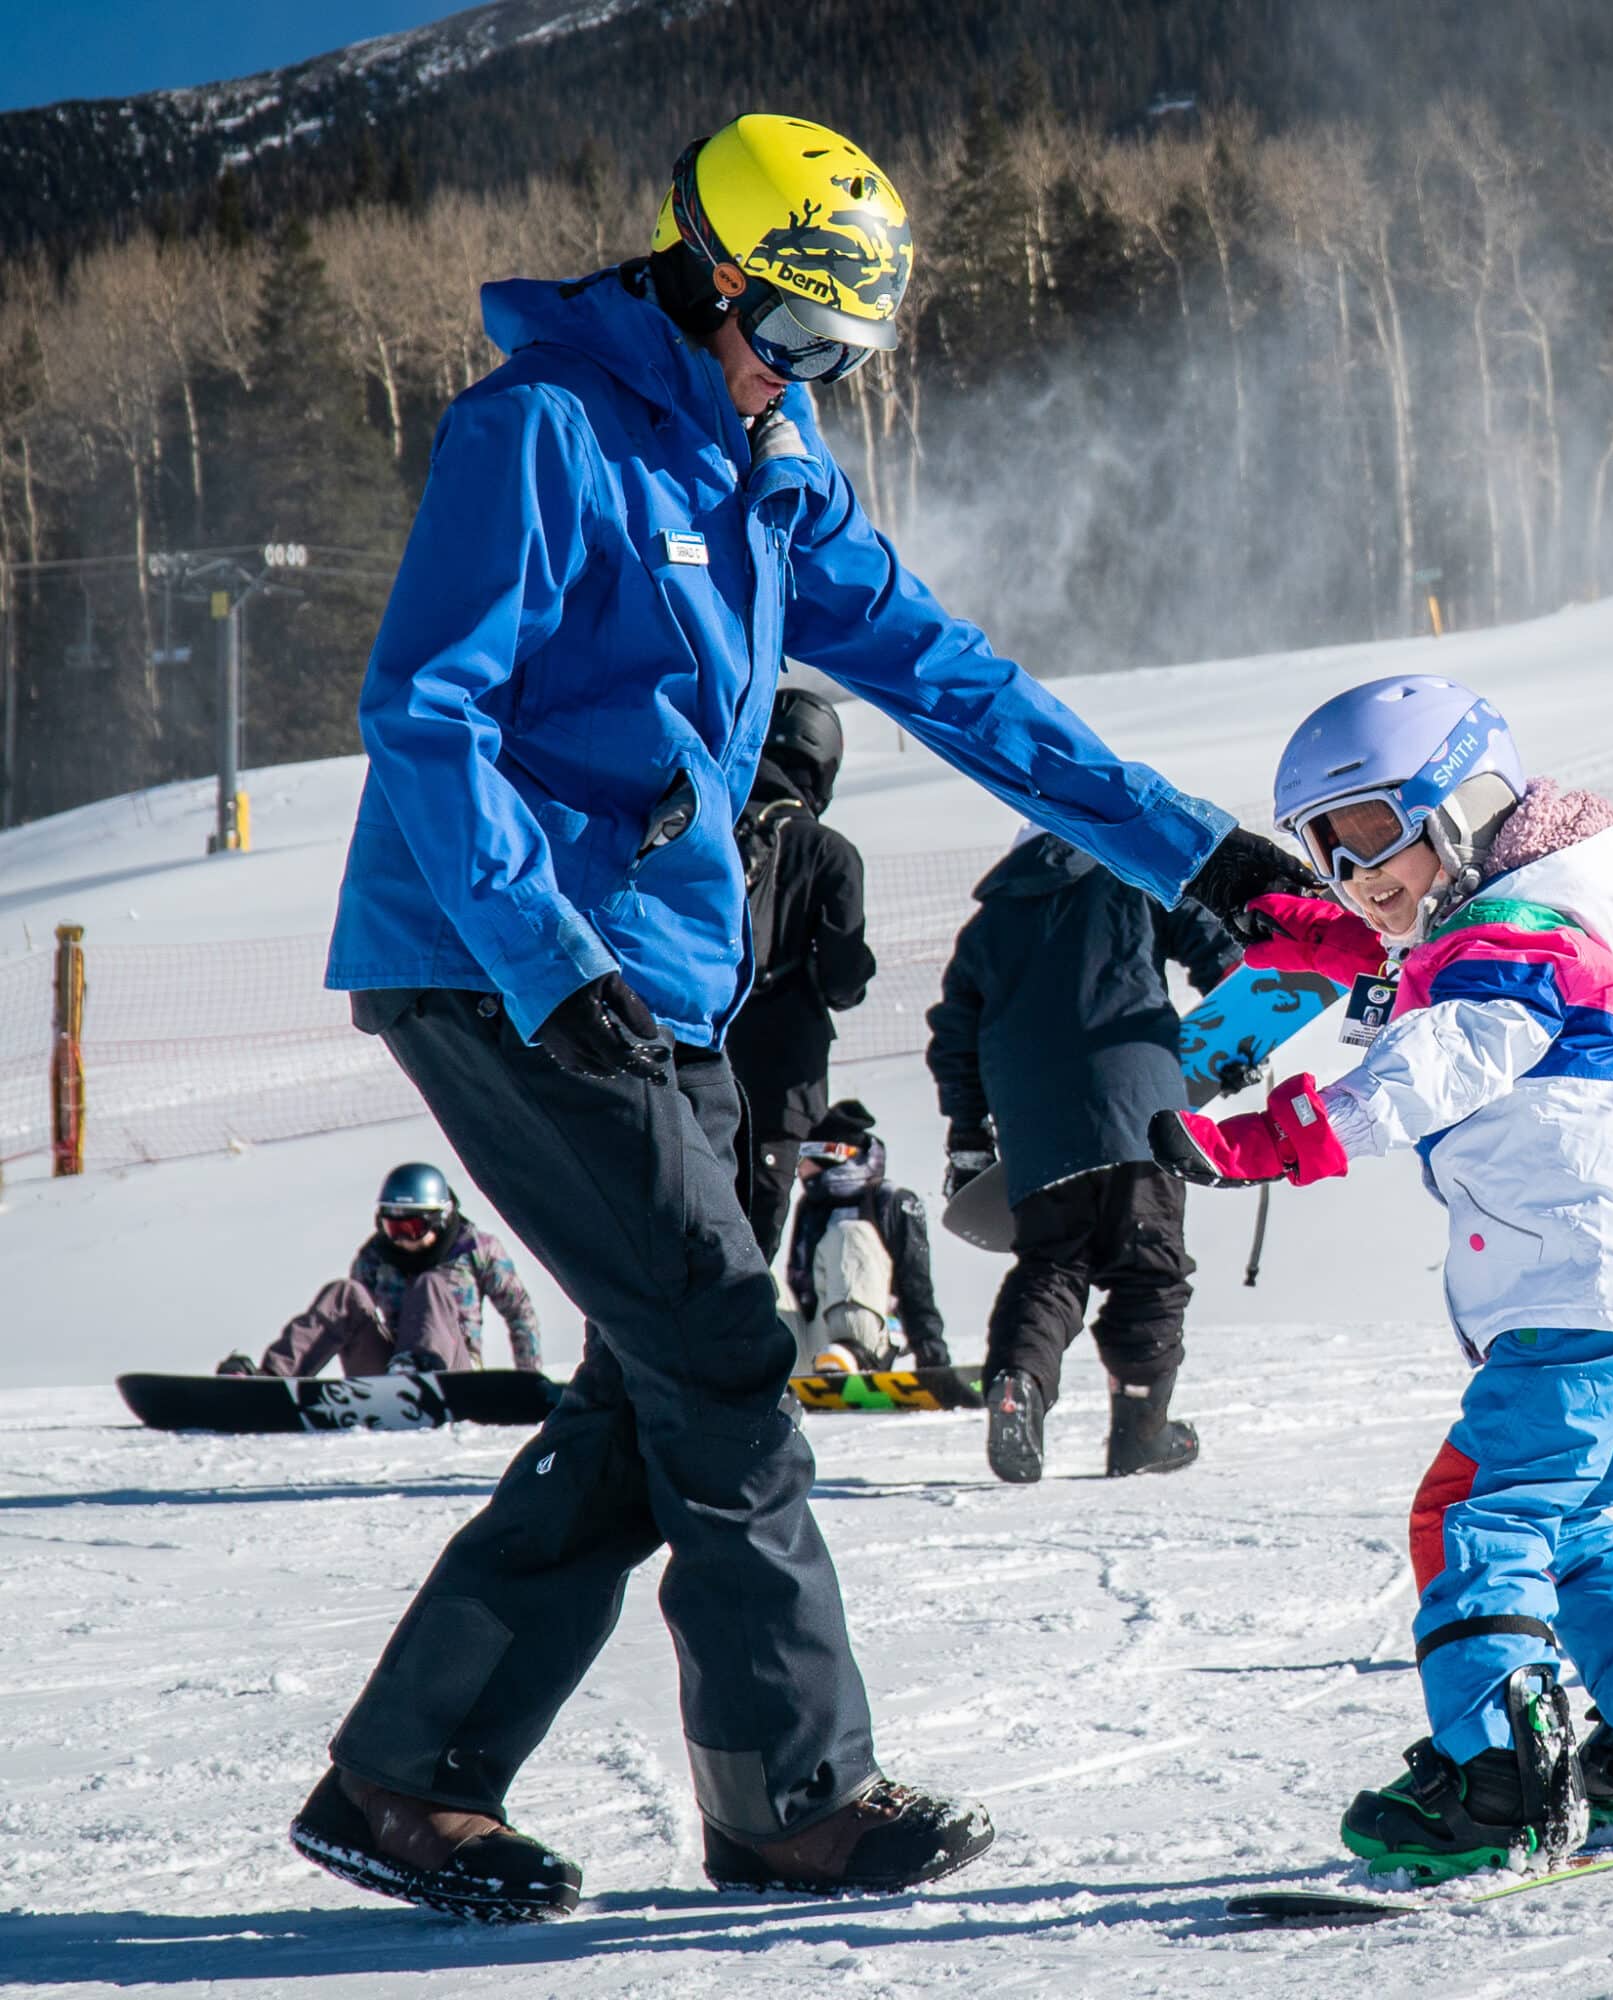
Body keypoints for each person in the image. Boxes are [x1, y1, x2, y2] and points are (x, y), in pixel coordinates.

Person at [294, 113, 1310, 1922]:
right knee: (727, 1356)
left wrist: (1197, 857)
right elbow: (424, 718)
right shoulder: (542, 435)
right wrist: (549, 957)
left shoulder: (770, 463)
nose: (816, 384)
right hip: (493, 959)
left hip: (657, 985)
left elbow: (954, 682)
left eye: (854, 360)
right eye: (805, 341)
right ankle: (788, 1800)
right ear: (716, 273)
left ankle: (402, 1782)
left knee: (658, 1387)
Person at [1151, 674, 1613, 1882]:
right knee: (1571, 1516)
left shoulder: (1510, 942)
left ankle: (1498, 1781)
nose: (1355, 867)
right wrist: (1331, 953)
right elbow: (1407, 994)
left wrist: (1266, 1137)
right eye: (1326, 850)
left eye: (1374, 828)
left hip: (1583, 1287)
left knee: (1469, 1512)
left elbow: (1432, 1062)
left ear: (1463, 802)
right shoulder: (1518, 928)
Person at [926, 829, 1240, 1485]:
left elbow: (955, 1040)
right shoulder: (1132, 874)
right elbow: (1217, 947)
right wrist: (1240, 1031)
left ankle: (1018, 1386)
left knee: (1053, 1266)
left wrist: (967, 1137)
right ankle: (1139, 1432)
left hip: (1036, 1134)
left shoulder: (986, 929)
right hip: (1138, 1108)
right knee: (1148, 1268)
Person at [725, 688, 875, 1263]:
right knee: (750, 1248)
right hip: (784, 1078)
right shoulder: (828, 853)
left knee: (670, 1232)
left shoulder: (702, 833)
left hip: (688, 1065)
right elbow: (843, 982)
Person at [217, 1164, 542, 1380]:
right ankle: (272, 1380)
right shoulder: (375, 1256)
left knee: (429, 1283)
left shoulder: (476, 1249)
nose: (399, 1238)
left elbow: (519, 1312)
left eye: (411, 1227)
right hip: (386, 1374)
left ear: (438, 1219)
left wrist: (529, 1382)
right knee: (344, 1293)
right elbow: (347, 1319)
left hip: (452, 1375)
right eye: (392, 1226)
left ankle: (420, 1368)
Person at [785, 1100, 947, 1374]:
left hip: (874, 1336)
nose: (798, 1168)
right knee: (758, 1278)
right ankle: (754, 1371)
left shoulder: (891, 1200)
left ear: (830, 1155)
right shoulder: (809, 1207)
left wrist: (932, 1357)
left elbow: (915, 1284)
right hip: (817, 1344)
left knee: (849, 1233)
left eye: (804, 1157)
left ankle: (852, 1351)